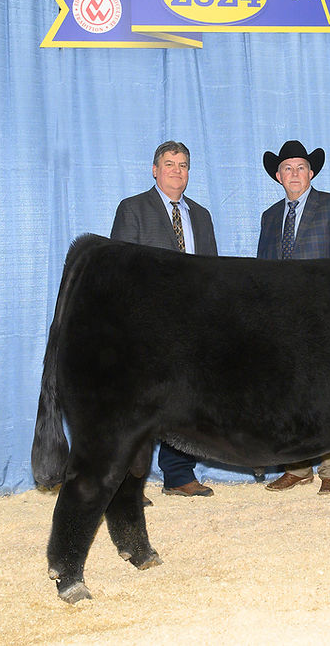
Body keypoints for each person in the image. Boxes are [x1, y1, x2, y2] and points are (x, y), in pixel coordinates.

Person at [110, 140, 216, 499]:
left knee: (185, 402)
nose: (176, 170)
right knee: (139, 406)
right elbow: (120, 270)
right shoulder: (133, 209)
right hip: (147, 326)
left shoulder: (200, 215)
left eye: (183, 165)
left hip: (193, 327)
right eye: (169, 164)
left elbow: (211, 273)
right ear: (155, 170)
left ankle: (178, 475)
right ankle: (129, 481)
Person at [257, 140, 330, 494]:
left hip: (323, 318)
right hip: (282, 322)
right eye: (287, 169)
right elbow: (262, 274)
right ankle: (297, 467)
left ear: (311, 173)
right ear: (278, 176)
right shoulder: (270, 217)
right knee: (287, 395)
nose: (294, 174)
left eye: (301, 167)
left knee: (327, 393)